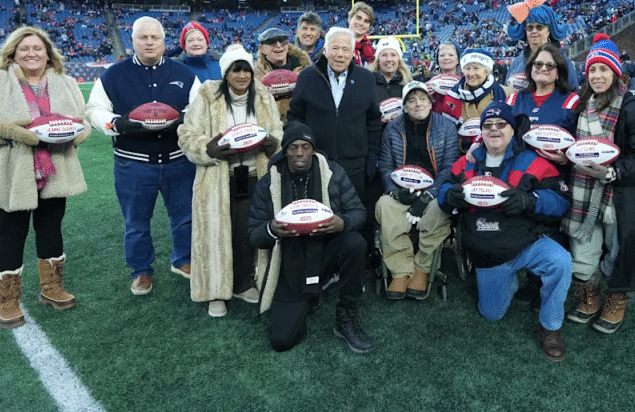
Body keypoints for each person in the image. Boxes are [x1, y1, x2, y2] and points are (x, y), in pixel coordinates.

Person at [0, 26, 89, 328]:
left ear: (48, 53)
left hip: (55, 170)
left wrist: (77, 134)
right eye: (24, 48)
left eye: (37, 49)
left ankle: (51, 288)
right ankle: (8, 300)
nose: (31, 53)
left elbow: (80, 121)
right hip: (10, 174)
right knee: (9, 237)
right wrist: (5, 129)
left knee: (51, 230)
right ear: (13, 52)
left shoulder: (65, 82)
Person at [438, 102, 572, 361]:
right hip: (488, 250)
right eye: (487, 125)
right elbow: (443, 190)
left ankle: (551, 327)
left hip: (525, 243)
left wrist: (530, 200)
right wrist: (450, 196)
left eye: (501, 124)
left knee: (560, 261)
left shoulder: (532, 162)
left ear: (513, 130)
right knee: (492, 314)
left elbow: (561, 201)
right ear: (481, 132)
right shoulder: (467, 163)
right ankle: (506, 282)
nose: (494, 130)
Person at [87, 16, 200, 295]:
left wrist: (182, 120)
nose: (149, 43)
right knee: (136, 221)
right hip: (133, 163)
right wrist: (116, 123)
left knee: (184, 216)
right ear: (133, 40)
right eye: (143, 38)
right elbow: (93, 110)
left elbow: (200, 107)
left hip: (178, 159)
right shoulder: (113, 74)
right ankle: (141, 270)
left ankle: (183, 259)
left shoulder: (183, 73)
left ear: (164, 41)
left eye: (155, 38)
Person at [247, 121, 373, 354]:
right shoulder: (269, 183)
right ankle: (306, 296)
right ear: (285, 151)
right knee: (282, 341)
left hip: (325, 251)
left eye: (305, 146)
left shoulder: (332, 173)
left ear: (313, 149)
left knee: (355, 242)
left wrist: (342, 222)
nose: (299, 153)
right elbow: (254, 235)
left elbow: (359, 213)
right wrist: (272, 229)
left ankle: (347, 315)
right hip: (289, 262)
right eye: (293, 147)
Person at [564, 34, 635, 334]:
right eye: (592, 70)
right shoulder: (580, 108)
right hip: (582, 195)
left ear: (616, 73)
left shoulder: (634, 111)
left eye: (603, 69)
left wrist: (609, 173)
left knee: (617, 254)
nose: (597, 76)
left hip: (617, 198)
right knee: (582, 254)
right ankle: (589, 296)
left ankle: (616, 297)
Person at [178, 44, 282, 318]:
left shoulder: (263, 96)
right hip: (217, 177)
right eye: (236, 70)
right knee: (216, 234)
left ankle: (243, 282)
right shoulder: (207, 95)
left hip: (253, 176)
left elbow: (277, 132)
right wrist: (208, 147)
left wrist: (273, 144)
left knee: (246, 234)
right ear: (226, 73)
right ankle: (215, 292)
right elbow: (186, 133)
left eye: (246, 70)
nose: (242, 76)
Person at [376, 81, 459, 299]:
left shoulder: (446, 127)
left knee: (439, 208)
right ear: (404, 107)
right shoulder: (392, 128)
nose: (417, 104)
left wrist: (430, 193)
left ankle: (423, 267)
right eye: (411, 100)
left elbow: (450, 166)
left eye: (422, 99)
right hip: (402, 187)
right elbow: (385, 165)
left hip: (433, 187)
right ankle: (401, 270)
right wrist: (394, 190)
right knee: (384, 205)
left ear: (431, 104)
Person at [286, 27, 382, 203]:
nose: (340, 55)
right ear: (325, 51)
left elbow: (373, 121)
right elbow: (295, 116)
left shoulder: (366, 79)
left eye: (345, 50)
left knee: (354, 218)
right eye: (335, 48)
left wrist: (373, 156)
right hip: (316, 162)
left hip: (356, 165)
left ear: (353, 53)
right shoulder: (307, 77)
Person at [506, 0, 580, 89]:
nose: (534, 31)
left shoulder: (562, 62)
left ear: (549, 31)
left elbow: (572, 93)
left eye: (539, 27)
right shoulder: (516, 63)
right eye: (530, 27)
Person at [443, 48, 514, 129]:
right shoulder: (452, 96)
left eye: (476, 68)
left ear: (487, 71)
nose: (471, 73)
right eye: (467, 68)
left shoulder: (507, 93)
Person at [256, 27, 311, 120]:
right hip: (272, 126)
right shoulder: (255, 75)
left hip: (301, 123)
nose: (278, 45)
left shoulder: (305, 69)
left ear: (288, 44)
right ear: (262, 49)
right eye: (272, 42)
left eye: (282, 41)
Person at [372, 37, 412, 120]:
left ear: (399, 59)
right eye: (384, 55)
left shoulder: (409, 84)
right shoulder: (368, 82)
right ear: (378, 59)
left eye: (393, 55)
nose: (389, 59)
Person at [430, 42, 463, 116]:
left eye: (451, 55)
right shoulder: (431, 83)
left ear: (458, 59)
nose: (446, 58)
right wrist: (425, 95)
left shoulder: (466, 82)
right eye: (442, 55)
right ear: (437, 60)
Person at [348, 2, 376, 67]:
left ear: (369, 26)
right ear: (350, 19)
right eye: (358, 18)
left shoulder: (371, 49)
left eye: (366, 21)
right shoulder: (337, 43)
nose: (361, 23)